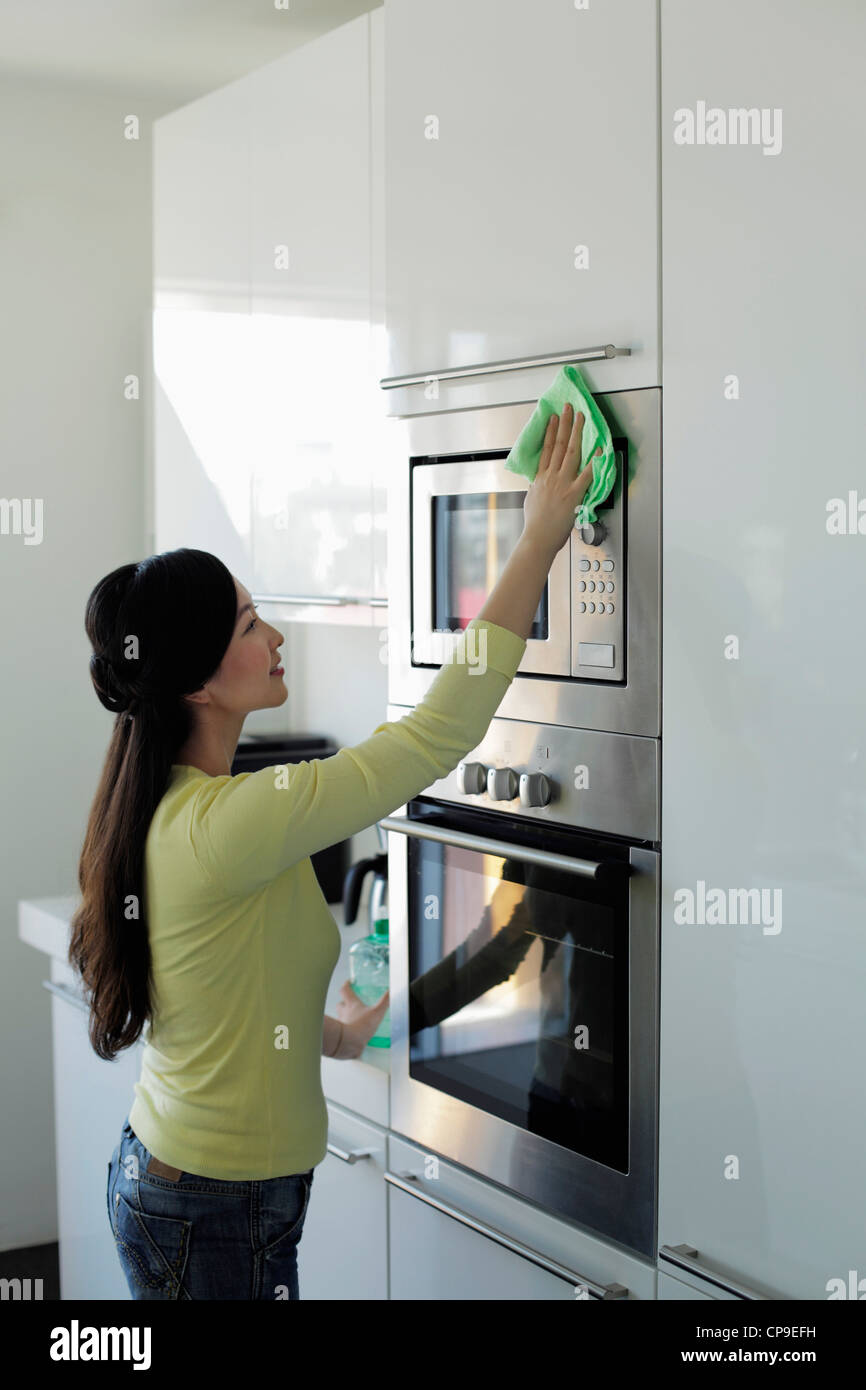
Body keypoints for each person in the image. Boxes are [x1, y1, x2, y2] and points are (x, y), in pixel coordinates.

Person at [70, 404, 598, 1300]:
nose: (274, 637)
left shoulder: (171, 807)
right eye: (248, 625)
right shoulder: (232, 822)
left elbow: (221, 999)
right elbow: (435, 737)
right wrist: (538, 538)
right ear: (199, 679)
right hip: (213, 1208)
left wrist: (334, 1032)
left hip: (193, 1188)